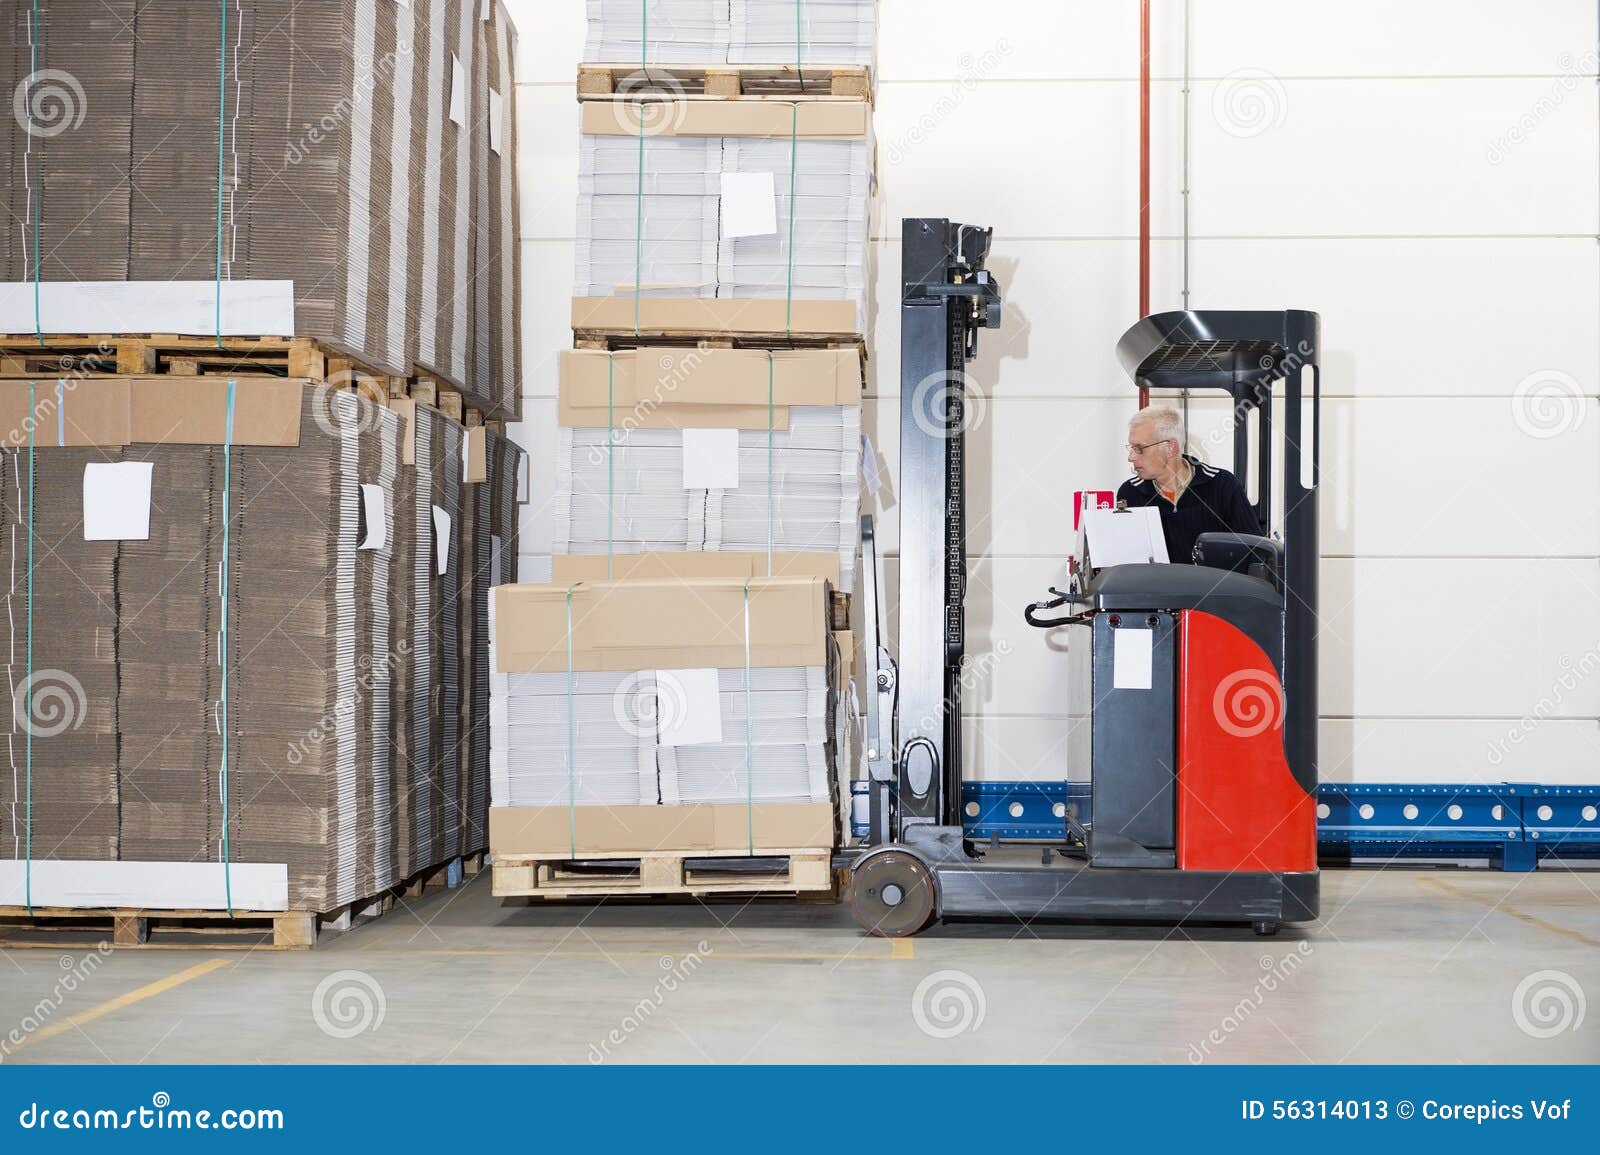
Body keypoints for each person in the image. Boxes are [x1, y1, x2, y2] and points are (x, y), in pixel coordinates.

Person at [1116, 406, 1261, 564]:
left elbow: (1256, 553)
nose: (1131, 457)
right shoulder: (1130, 493)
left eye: (1139, 448)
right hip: (1157, 581)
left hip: (1215, 580)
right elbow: (1125, 561)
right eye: (1131, 448)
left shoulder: (1223, 486)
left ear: (1170, 448)